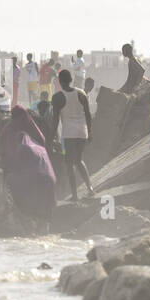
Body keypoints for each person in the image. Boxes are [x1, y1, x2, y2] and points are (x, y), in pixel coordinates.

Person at [1, 105, 56, 231]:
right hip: (44, 173)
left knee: (23, 208)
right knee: (42, 215)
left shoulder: (9, 130)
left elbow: (6, 155)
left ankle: (29, 231)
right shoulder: (34, 131)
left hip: (23, 174)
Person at [51, 68, 95, 201]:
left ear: (60, 81)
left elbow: (55, 119)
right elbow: (88, 115)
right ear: (70, 80)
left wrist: (52, 137)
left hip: (69, 134)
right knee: (79, 160)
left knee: (69, 163)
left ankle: (75, 195)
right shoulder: (81, 94)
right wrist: (90, 132)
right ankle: (90, 188)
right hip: (82, 132)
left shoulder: (57, 97)